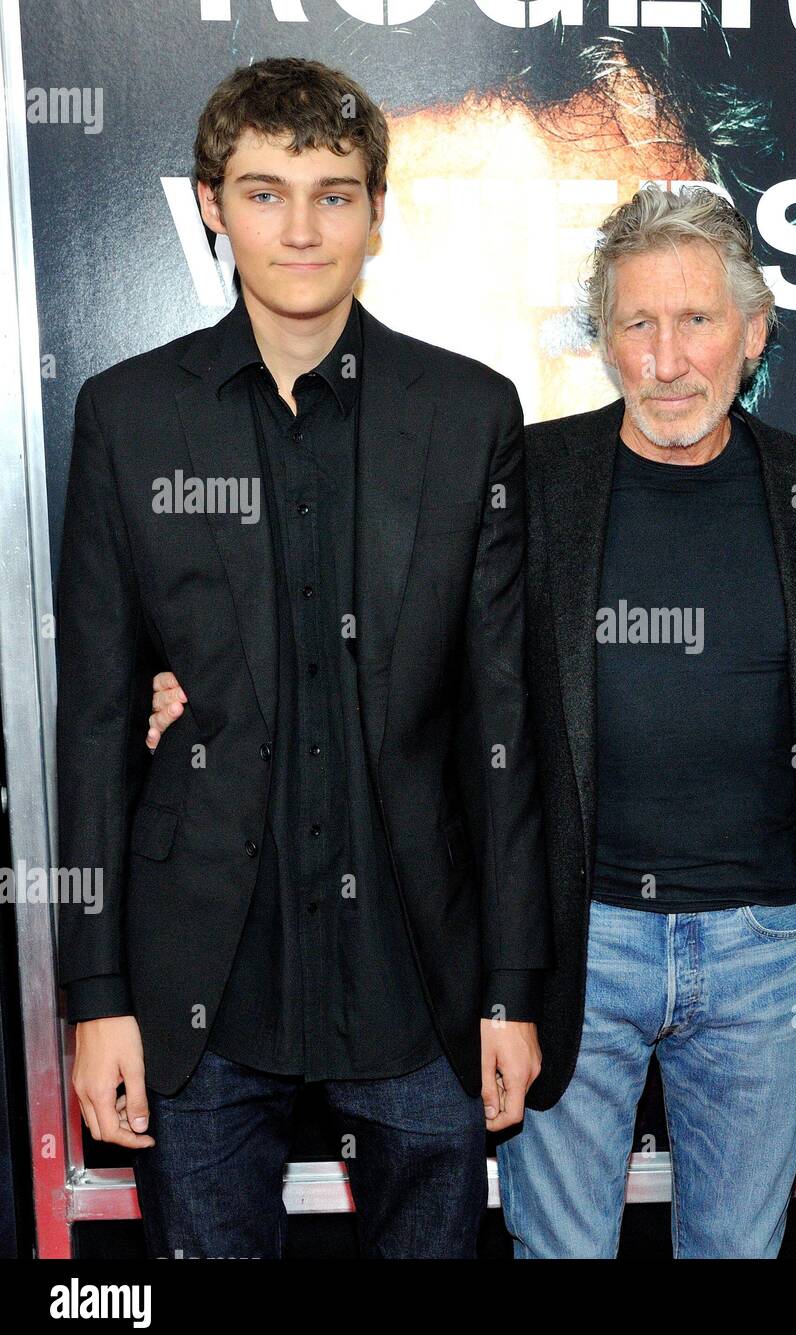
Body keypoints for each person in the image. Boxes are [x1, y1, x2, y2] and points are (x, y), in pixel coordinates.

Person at [149, 184, 796, 1258]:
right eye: (637, 322)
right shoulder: (526, 481)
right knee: (558, 1250)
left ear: (755, 332)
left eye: (696, 321)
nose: (666, 359)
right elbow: (386, 641)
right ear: (603, 338)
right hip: (573, 944)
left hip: (761, 948)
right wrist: (210, 689)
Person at [56, 57, 548, 1259]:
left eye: (334, 193)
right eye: (265, 191)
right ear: (211, 205)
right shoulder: (128, 417)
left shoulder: (467, 412)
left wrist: (513, 988)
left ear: (378, 213)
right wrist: (97, 993)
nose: (302, 227)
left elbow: (507, 727)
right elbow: (94, 725)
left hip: (418, 973)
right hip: (199, 980)